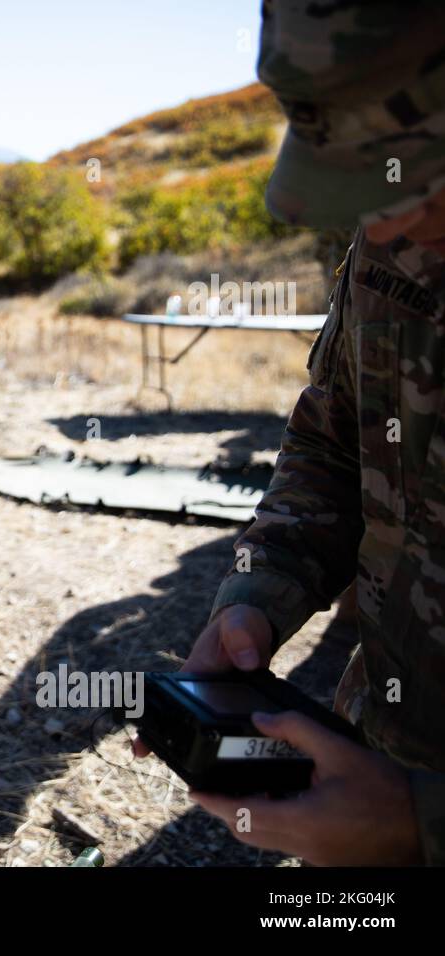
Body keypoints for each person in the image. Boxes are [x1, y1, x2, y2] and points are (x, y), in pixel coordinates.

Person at [139, 0, 445, 865]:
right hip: (374, 750)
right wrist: (255, 599)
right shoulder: (393, 235)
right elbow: (334, 446)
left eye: (414, 182)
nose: (380, 223)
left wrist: (421, 824)